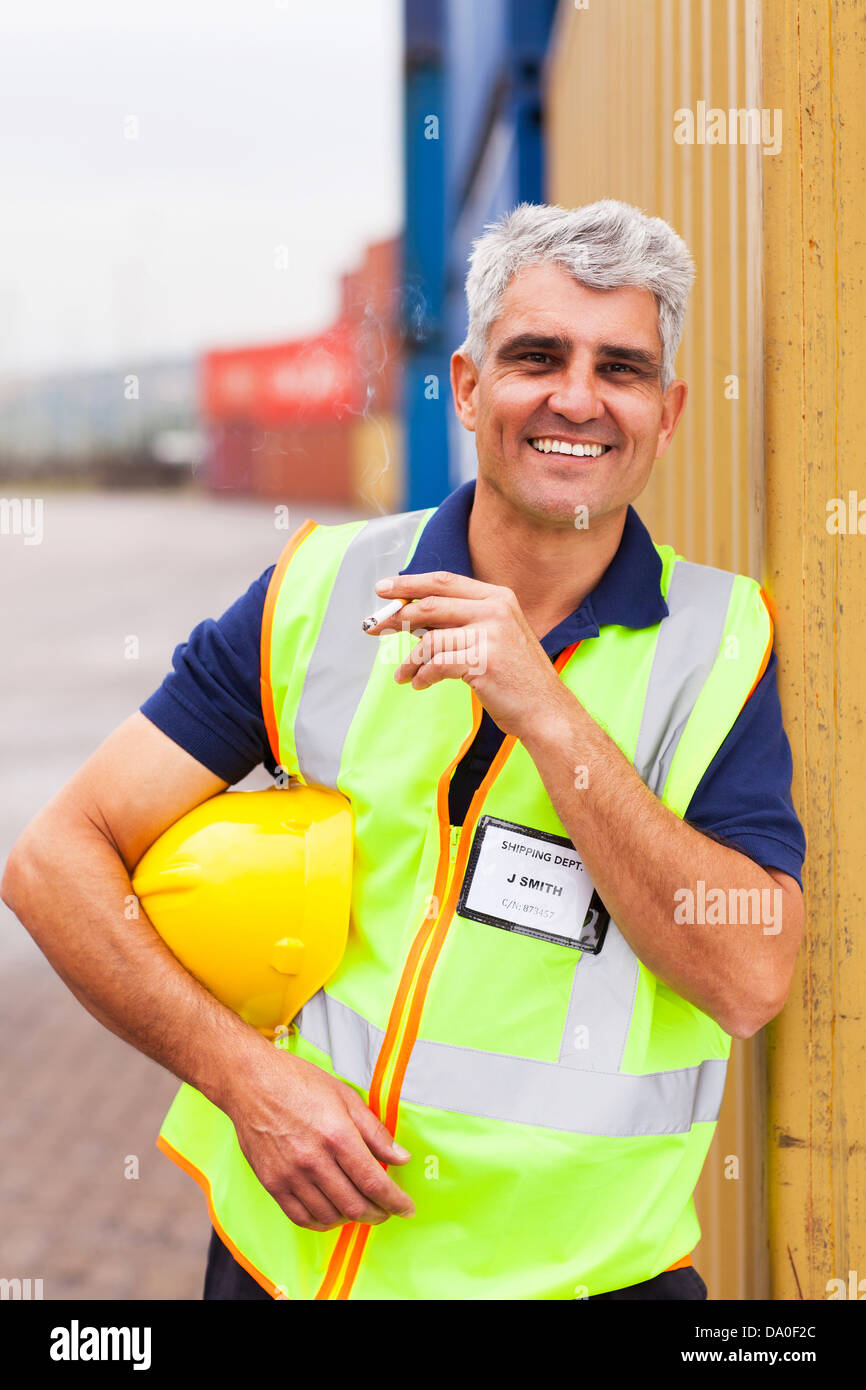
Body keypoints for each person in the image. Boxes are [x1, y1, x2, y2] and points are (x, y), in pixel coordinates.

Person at [2, 200, 806, 1301]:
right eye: (537, 357)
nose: (576, 397)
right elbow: (53, 862)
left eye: (619, 368)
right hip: (282, 1265)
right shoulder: (319, 590)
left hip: (566, 1283)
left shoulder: (721, 646)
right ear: (470, 386)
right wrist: (243, 1076)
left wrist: (547, 711)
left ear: (665, 414)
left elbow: (750, 974)